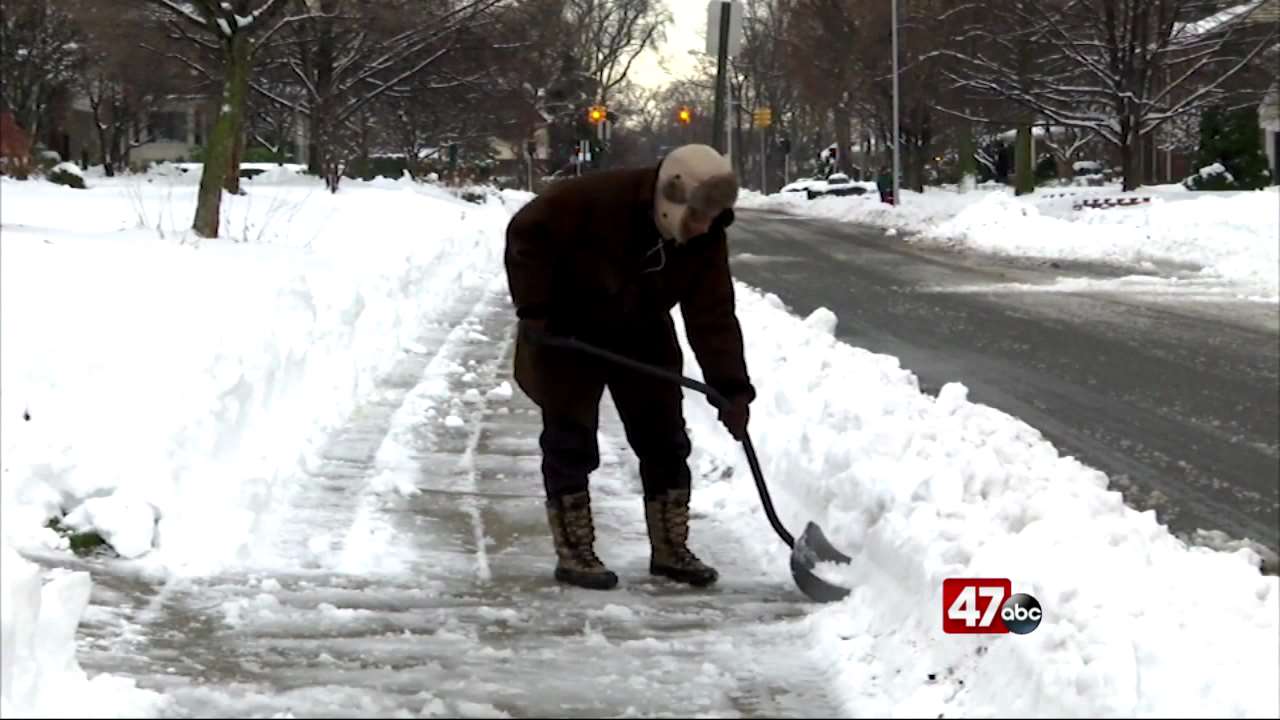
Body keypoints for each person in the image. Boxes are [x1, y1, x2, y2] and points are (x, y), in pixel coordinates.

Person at [503, 144, 755, 591]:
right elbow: (526, 234)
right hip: (567, 327)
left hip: (643, 328)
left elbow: (712, 314)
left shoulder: (707, 237)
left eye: (710, 221)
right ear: (669, 199)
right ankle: (575, 550)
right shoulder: (591, 200)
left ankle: (670, 549)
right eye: (695, 218)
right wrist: (535, 310)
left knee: (664, 438)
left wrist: (731, 388)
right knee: (569, 438)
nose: (699, 230)